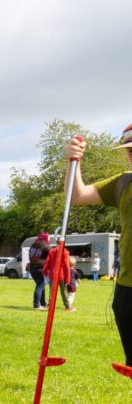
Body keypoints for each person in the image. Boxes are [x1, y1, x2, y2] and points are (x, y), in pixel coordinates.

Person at [66, 129, 132, 356]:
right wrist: (73, 162)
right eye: (130, 151)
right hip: (127, 288)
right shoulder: (122, 183)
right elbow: (78, 196)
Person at [42, 234, 74, 312]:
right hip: (61, 275)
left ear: (56, 242)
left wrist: (44, 271)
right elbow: (67, 265)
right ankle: (67, 307)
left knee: (52, 291)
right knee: (64, 291)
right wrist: (68, 278)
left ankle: (50, 306)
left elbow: (47, 263)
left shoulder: (52, 251)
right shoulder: (65, 251)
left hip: (52, 274)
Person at [28, 231, 51, 309]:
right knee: (40, 285)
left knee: (41, 286)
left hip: (32, 268)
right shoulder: (46, 246)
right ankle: (36, 305)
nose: (49, 239)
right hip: (41, 268)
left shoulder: (33, 245)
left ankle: (43, 303)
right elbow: (52, 257)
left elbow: (29, 256)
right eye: (48, 238)